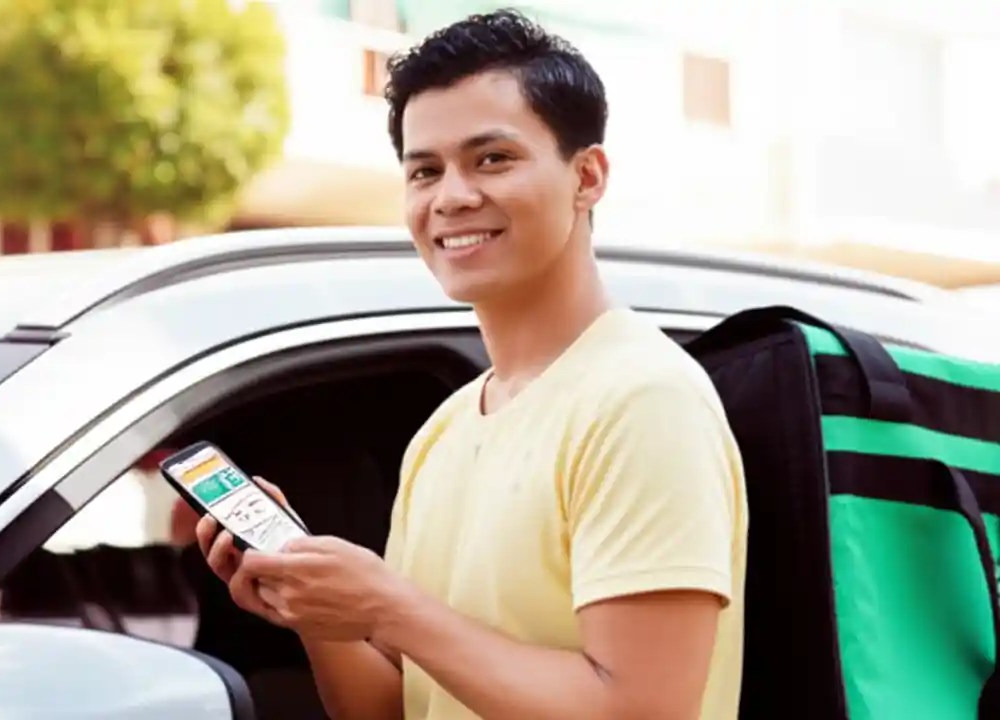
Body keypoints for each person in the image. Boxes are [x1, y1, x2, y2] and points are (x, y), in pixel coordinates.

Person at [197, 9, 748, 720]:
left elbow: (642, 709)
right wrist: (319, 611)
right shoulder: (443, 432)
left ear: (588, 176)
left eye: (492, 159)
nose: (451, 197)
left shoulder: (643, 398)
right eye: (424, 171)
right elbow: (398, 709)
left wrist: (388, 607)